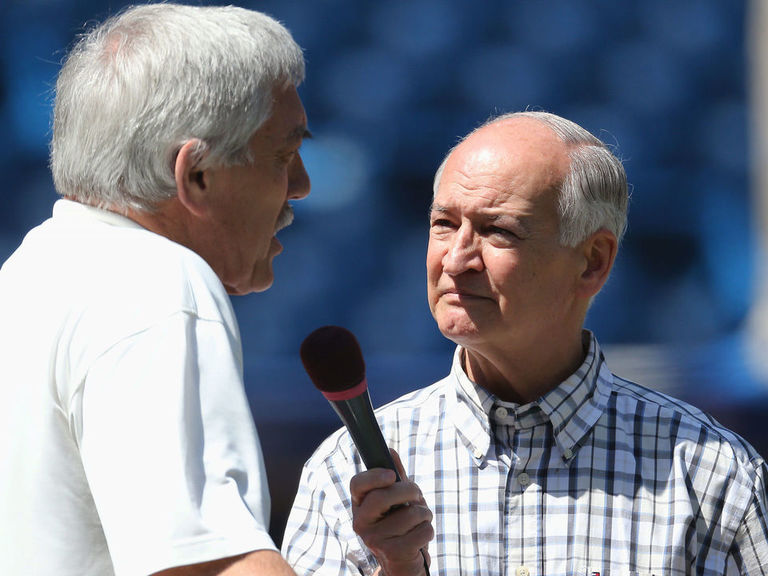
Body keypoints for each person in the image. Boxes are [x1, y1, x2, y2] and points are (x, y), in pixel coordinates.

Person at [282, 111, 768, 576]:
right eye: (443, 224)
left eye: (499, 231)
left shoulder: (712, 475)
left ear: (592, 262)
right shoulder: (341, 472)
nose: (455, 260)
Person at [0, 4, 311, 575]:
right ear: (196, 174)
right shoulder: (158, 282)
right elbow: (206, 566)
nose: (302, 185)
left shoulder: (25, 272)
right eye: (284, 155)